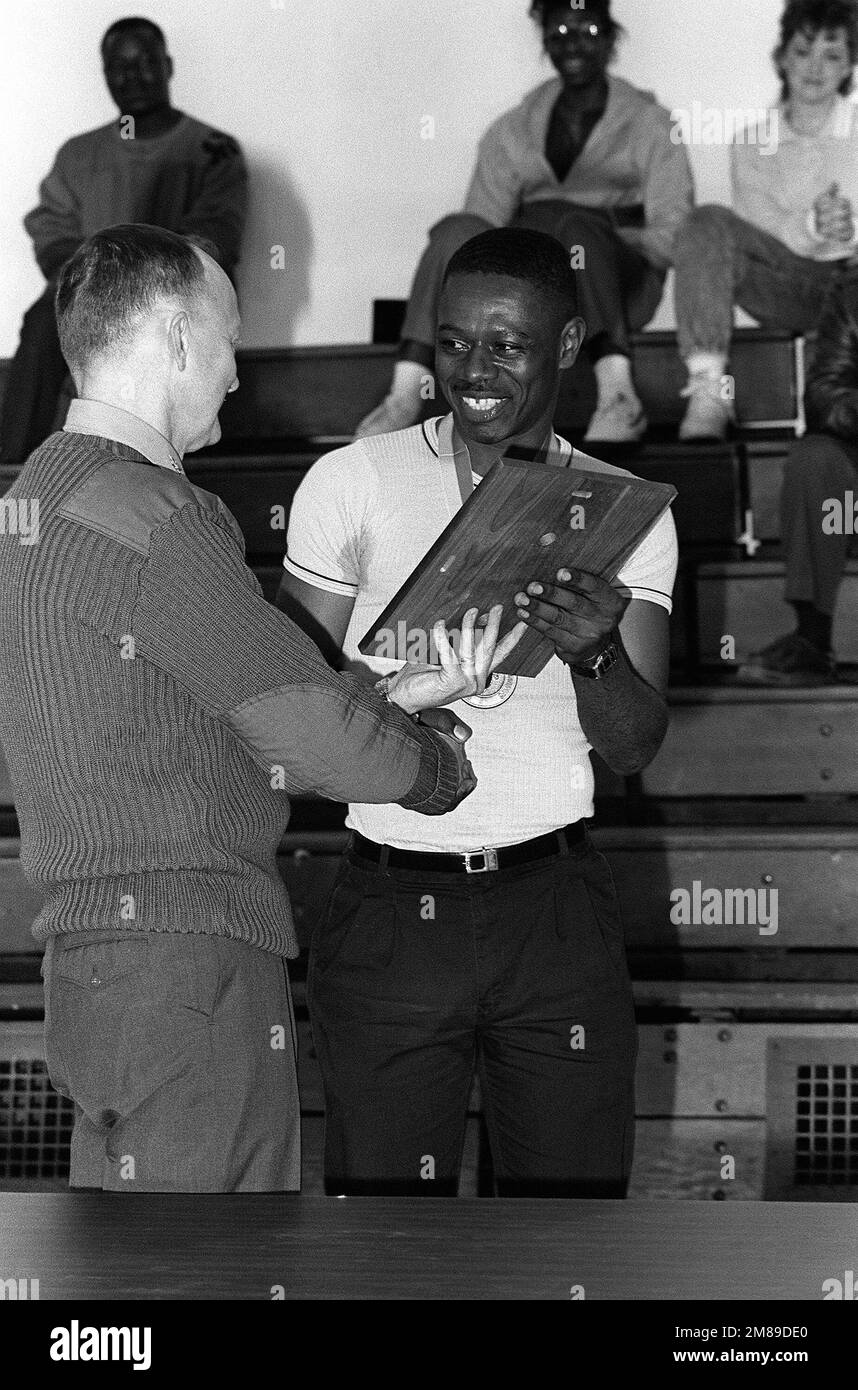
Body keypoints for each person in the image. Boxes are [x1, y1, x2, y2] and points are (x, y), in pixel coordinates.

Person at [0, 223, 518, 1193]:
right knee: (213, 1272)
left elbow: (183, 703)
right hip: (190, 963)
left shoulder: (34, 504)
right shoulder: (155, 513)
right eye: (231, 339)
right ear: (179, 338)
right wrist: (439, 759)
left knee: (126, 1287)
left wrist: (386, 694)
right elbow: (303, 728)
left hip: (95, 970)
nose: (237, 375)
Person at [279, 227, 678, 1197]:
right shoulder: (354, 479)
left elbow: (632, 744)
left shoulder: (623, 508)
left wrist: (592, 650)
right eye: (454, 342)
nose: (475, 370)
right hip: (387, 906)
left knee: (568, 1230)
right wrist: (401, 703)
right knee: (380, 1234)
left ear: (570, 343)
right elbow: (288, 711)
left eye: (508, 344)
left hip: (554, 907)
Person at [355, 0, 693, 446]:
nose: (573, 44)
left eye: (588, 30)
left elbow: (676, 235)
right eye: (559, 33)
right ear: (545, 41)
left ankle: (618, 395)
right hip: (532, 291)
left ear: (611, 38)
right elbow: (477, 242)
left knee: (576, 227)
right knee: (456, 228)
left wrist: (600, 227)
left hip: (612, 285)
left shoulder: (650, 122)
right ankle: (402, 396)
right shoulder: (513, 128)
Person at [0, 16, 248, 465]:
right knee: (44, 319)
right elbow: (51, 229)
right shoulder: (78, 153)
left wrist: (138, 277)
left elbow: (215, 233)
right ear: (105, 74)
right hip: (96, 297)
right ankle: (18, 470)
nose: (132, 76)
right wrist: (95, 277)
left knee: (163, 329)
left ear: (168, 66)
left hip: (175, 294)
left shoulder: (211, 148)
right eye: (119, 65)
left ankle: (152, 473)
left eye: (145, 62)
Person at [674, 0, 858, 441]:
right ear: (781, 58)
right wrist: (814, 226)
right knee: (706, 222)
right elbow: (763, 225)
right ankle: (709, 390)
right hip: (788, 283)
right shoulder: (752, 143)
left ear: (850, 65)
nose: (815, 68)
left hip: (854, 289)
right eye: (802, 52)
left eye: (832, 56)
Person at [738, 271, 858, 684]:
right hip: (850, 512)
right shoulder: (853, 296)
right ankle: (813, 637)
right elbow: (825, 397)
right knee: (816, 459)